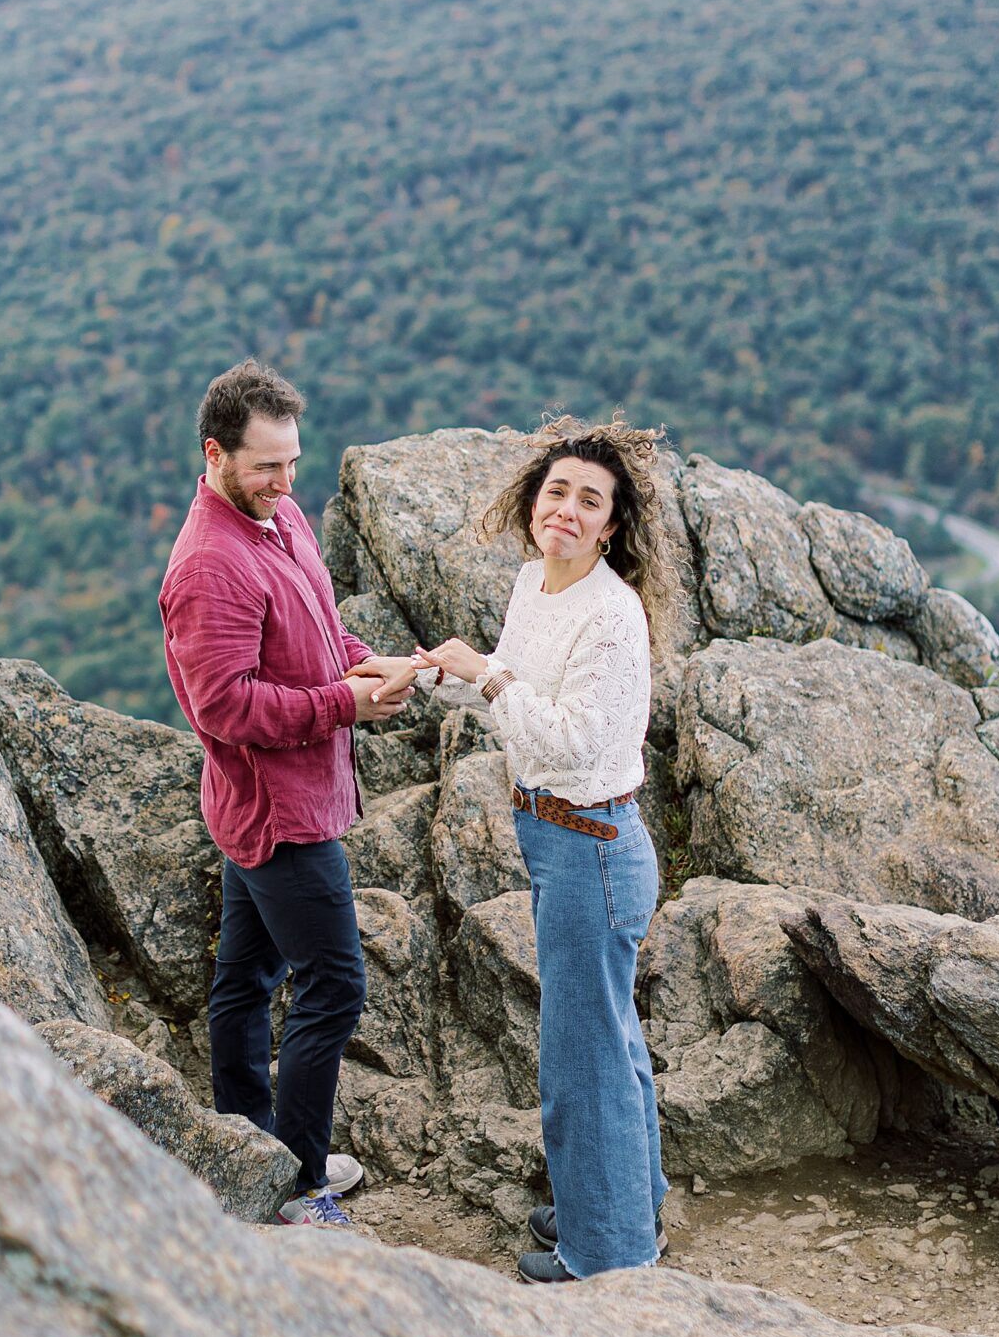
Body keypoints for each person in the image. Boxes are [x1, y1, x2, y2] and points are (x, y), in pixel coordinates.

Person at [412, 415, 675, 1283]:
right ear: (535, 503)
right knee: (611, 1043)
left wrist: (488, 678)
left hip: (590, 848)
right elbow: (508, 683)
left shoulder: (613, 614)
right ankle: (625, 1205)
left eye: (589, 500)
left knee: (582, 1059)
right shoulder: (537, 583)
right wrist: (422, 673)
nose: (567, 507)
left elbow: (565, 735)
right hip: (558, 839)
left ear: (611, 525)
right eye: (556, 490)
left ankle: (606, 1251)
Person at [160, 359, 418, 1227]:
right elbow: (224, 707)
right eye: (267, 466)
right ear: (215, 453)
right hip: (280, 813)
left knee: (244, 979)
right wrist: (342, 704)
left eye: (294, 463)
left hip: (263, 805)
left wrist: (363, 661)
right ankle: (303, 1183)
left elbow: (318, 623)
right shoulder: (210, 567)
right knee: (335, 985)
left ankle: (246, 1154)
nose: (284, 481)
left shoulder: (279, 516)